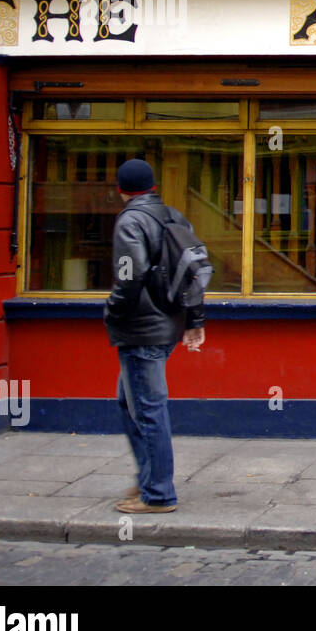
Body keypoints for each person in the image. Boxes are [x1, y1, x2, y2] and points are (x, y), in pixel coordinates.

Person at [104, 159, 205, 514]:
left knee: (147, 410)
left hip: (142, 329)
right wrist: (193, 319)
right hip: (167, 325)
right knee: (128, 402)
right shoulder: (172, 215)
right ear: (152, 185)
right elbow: (192, 273)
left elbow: (129, 276)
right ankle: (147, 477)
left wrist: (112, 310)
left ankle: (158, 493)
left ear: (121, 190)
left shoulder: (131, 220)